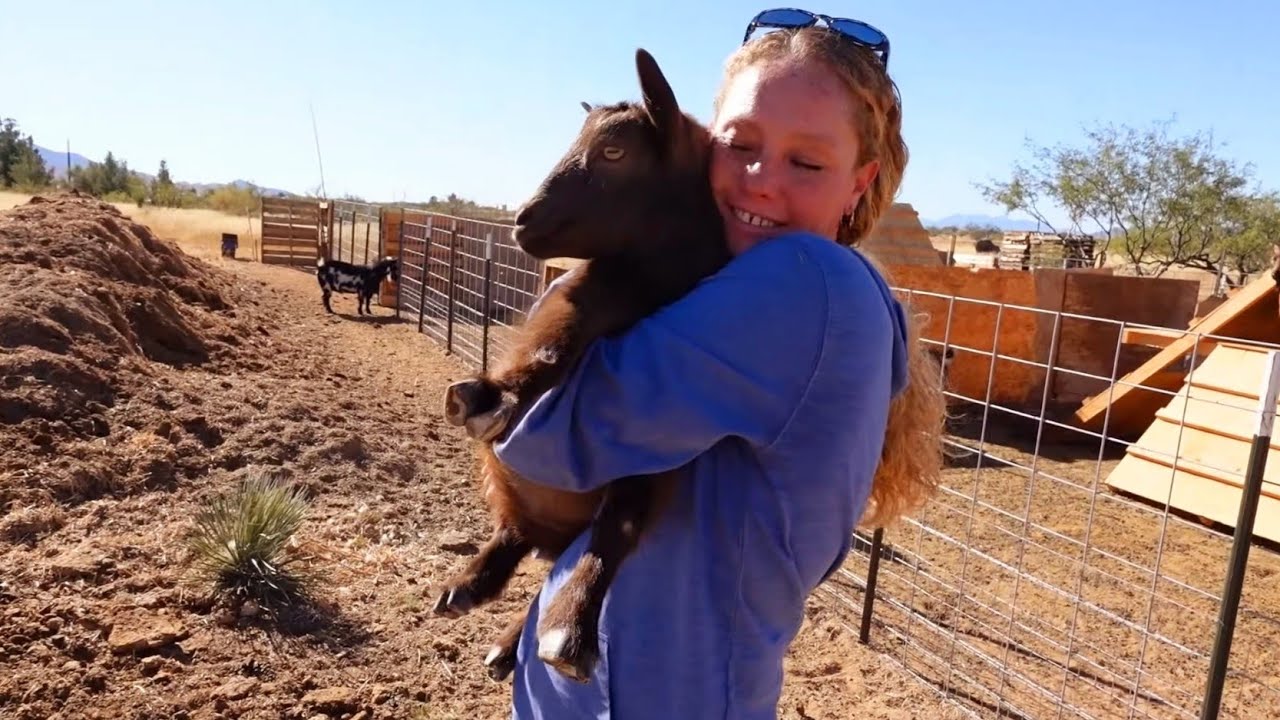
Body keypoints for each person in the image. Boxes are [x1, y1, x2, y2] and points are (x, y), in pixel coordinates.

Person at [490, 9, 942, 719]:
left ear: (861, 182)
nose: (762, 181)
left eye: (808, 161)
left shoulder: (805, 280)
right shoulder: (773, 292)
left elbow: (542, 437)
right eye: (742, 145)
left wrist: (585, 294)